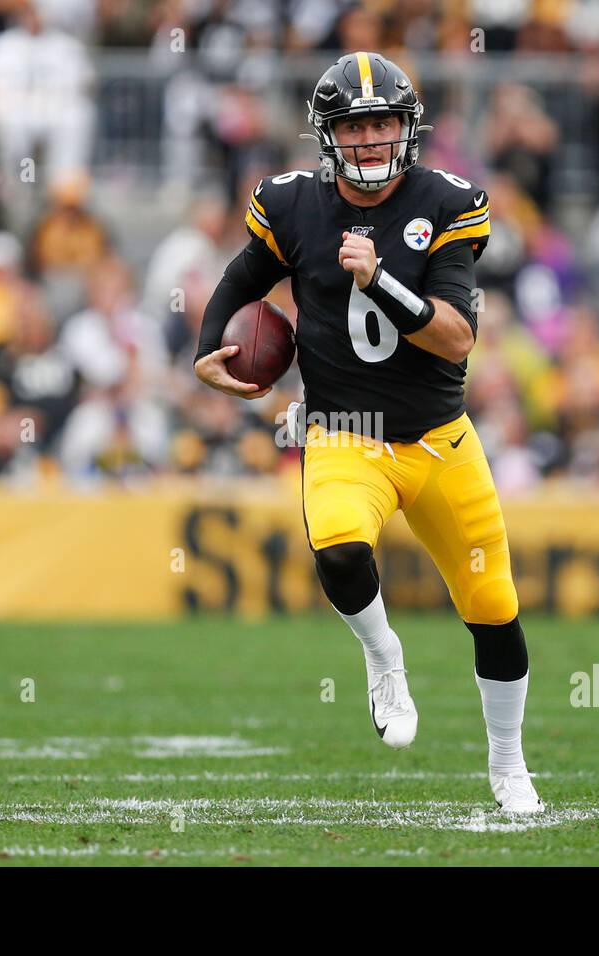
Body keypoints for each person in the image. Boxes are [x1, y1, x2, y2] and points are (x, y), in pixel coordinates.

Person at [193, 52, 543, 813]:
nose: (371, 139)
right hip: (343, 432)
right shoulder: (293, 204)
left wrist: (378, 277)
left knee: (493, 605)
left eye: (383, 122)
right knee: (342, 549)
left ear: (406, 128)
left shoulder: (447, 202)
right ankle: (385, 657)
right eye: (354, 126)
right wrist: (207, 350)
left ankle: (509, 766)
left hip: (438, 438)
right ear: (329, 135)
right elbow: (245, 276)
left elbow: (456, 339)